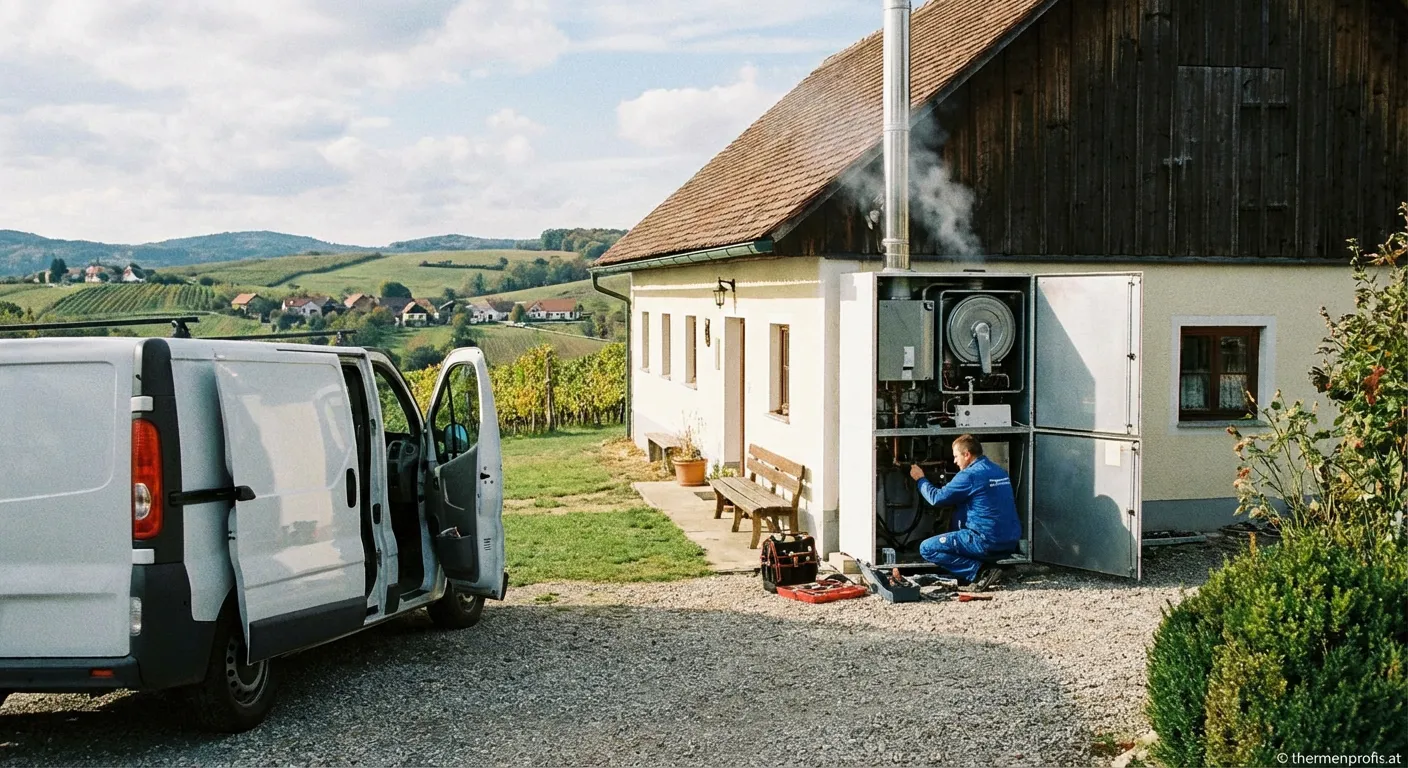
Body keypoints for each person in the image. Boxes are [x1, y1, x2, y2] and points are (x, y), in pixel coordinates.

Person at [908, 434, 1021, 588]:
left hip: (986, 543)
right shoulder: (998, 470)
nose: (955, 461)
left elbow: (936, 498)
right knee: (961, 519)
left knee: (927, 548)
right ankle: (1000, 568)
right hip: (1009, 543)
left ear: (967, 455)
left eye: (956, 456)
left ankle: (981, 572)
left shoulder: (969, 475)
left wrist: (920, 479)